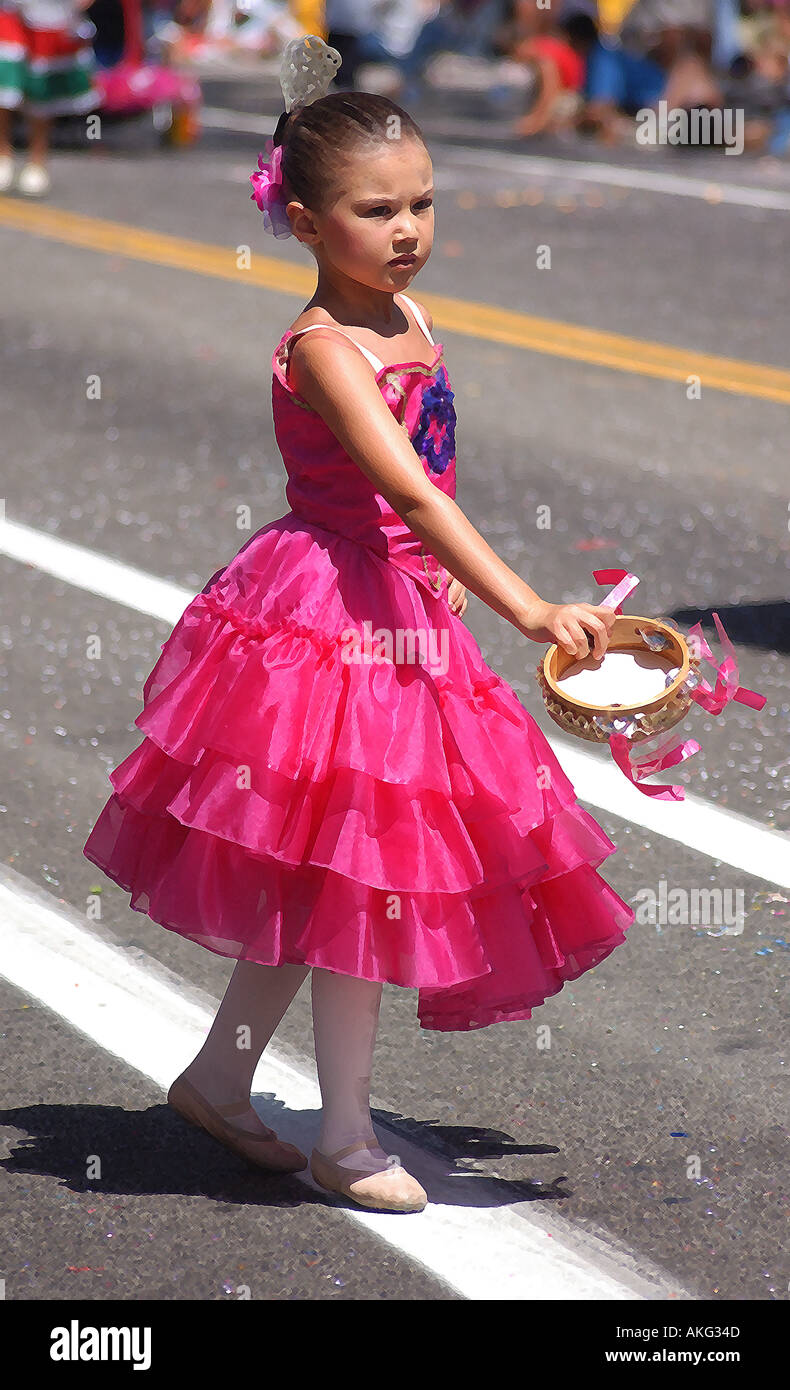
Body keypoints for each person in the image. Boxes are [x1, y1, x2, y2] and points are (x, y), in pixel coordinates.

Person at [82, 35, 634, 1216]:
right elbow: (414, 494)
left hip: (402, 615)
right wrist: (530, 605)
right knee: (363, 876)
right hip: (326, 623)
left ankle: (222, 1080)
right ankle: (342, 1133)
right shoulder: (324, 347)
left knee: (328, 872)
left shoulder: (408, 314)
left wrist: (451, 595)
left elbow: (433, 482)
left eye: (422, 203)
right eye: (375, 209)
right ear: (298, 220)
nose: (407, 229)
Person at [0, 0, 100, 196]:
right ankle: (3, 154)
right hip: (10, 10)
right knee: (5, 84)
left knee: (43, 88)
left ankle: (37, 161)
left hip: (53, 14)